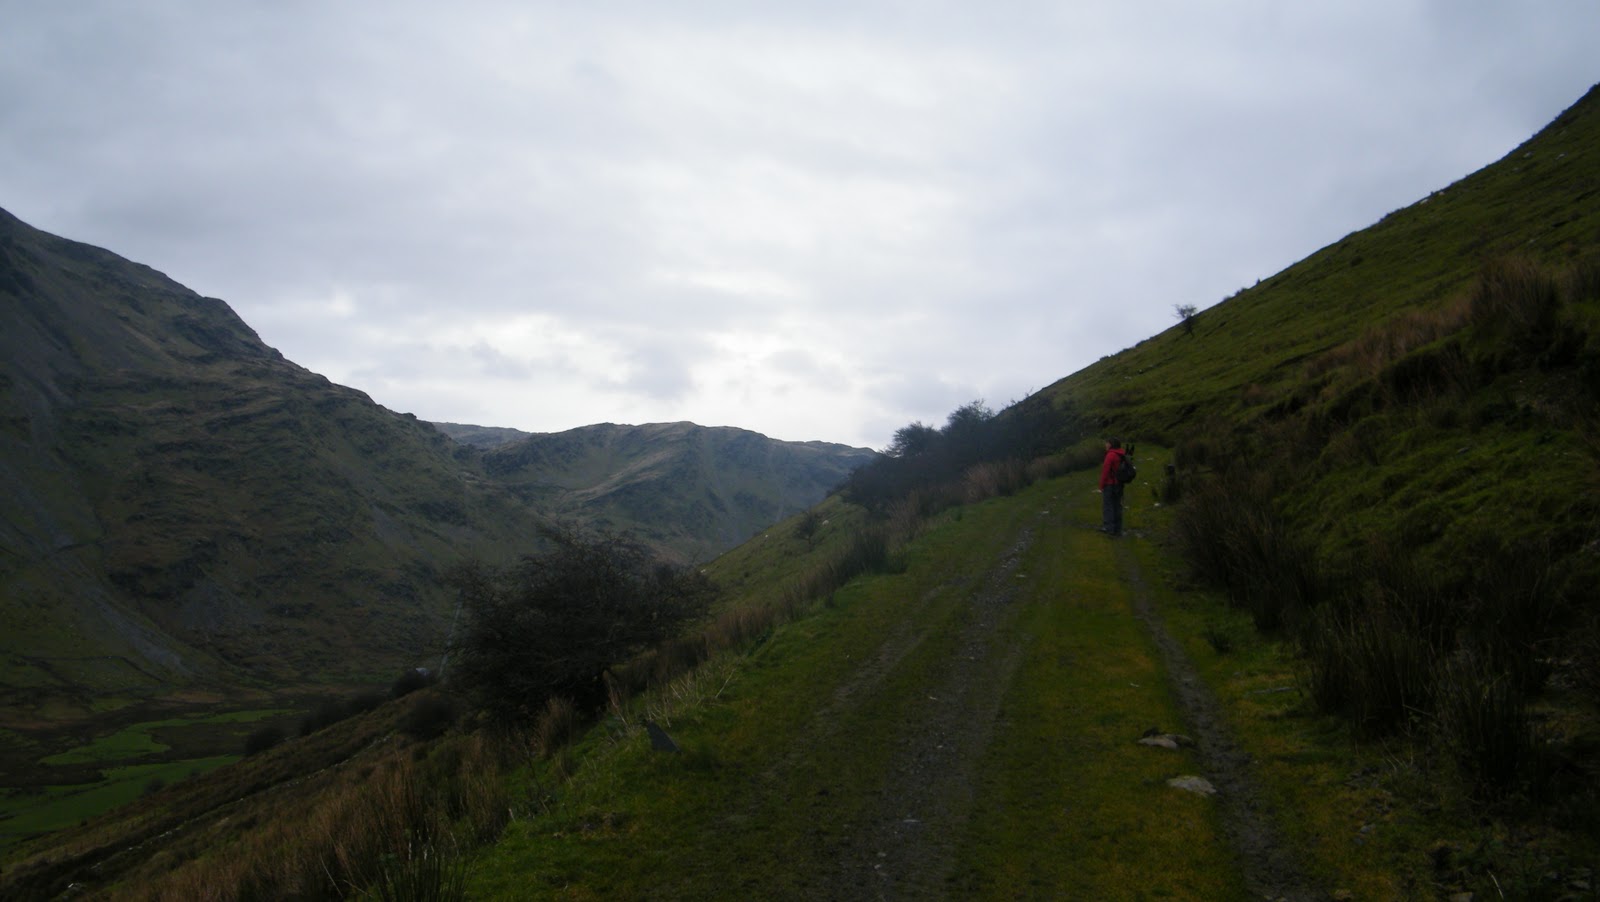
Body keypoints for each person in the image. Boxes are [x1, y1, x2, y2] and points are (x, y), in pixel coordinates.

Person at [1099, 438, 1128, 536]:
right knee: (1117, 506)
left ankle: (1109, 528)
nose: (1105, 445)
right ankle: (1118, 529)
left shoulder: (1110, 455)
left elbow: (1105, 471)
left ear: (1111, 444)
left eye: (1107, 443)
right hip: (1119, 484)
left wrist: (1102, 485)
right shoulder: (1121, 453)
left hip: (1110, 484)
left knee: (1108, 506)